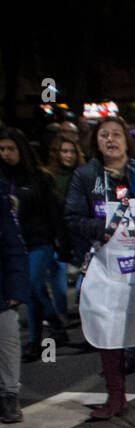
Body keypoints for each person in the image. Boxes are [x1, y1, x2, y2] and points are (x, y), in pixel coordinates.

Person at [64, 115, 135, 419]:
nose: (111, 140)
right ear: (96, 141)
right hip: (107, 265)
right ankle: (115, 396)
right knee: (107, 327)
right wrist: (100, 226)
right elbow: (72, 219)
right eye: (104, 135)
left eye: (117, 134)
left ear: (127, 140)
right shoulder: (86, 176)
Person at [2, 127, 68, 360]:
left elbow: (54, 213)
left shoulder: (40, 178)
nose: (6, 153)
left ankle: (34, 341)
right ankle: (55, 324)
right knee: (35, 290)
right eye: (2, 149)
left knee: (31, 287)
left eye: (11, 148)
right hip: (14, 245)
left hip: (40, 242)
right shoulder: (2, 179)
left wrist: (61, 242)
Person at [0, 173, 29, 423]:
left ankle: (9, 395)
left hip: (2, 290)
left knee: (7, 339)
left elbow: (13, 247)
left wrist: (17, 289)